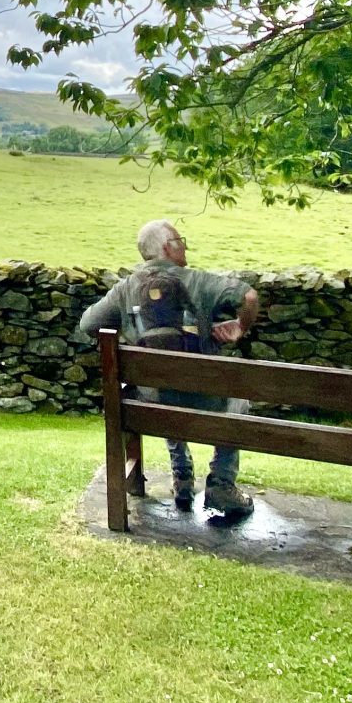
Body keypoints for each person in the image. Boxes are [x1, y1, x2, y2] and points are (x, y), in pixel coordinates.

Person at [79, 219, 260, 521]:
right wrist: (240, 327)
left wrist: (131, 336)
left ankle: (182, 476)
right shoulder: (199, 281)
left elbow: (88, 324)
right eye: (181, 241)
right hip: (205, 404)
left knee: (161, 385)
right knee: (237, 398)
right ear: (168, 247)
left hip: (149, 407)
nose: (184, 247)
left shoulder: (125, 289)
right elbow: (249, 297)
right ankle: (221, 484)